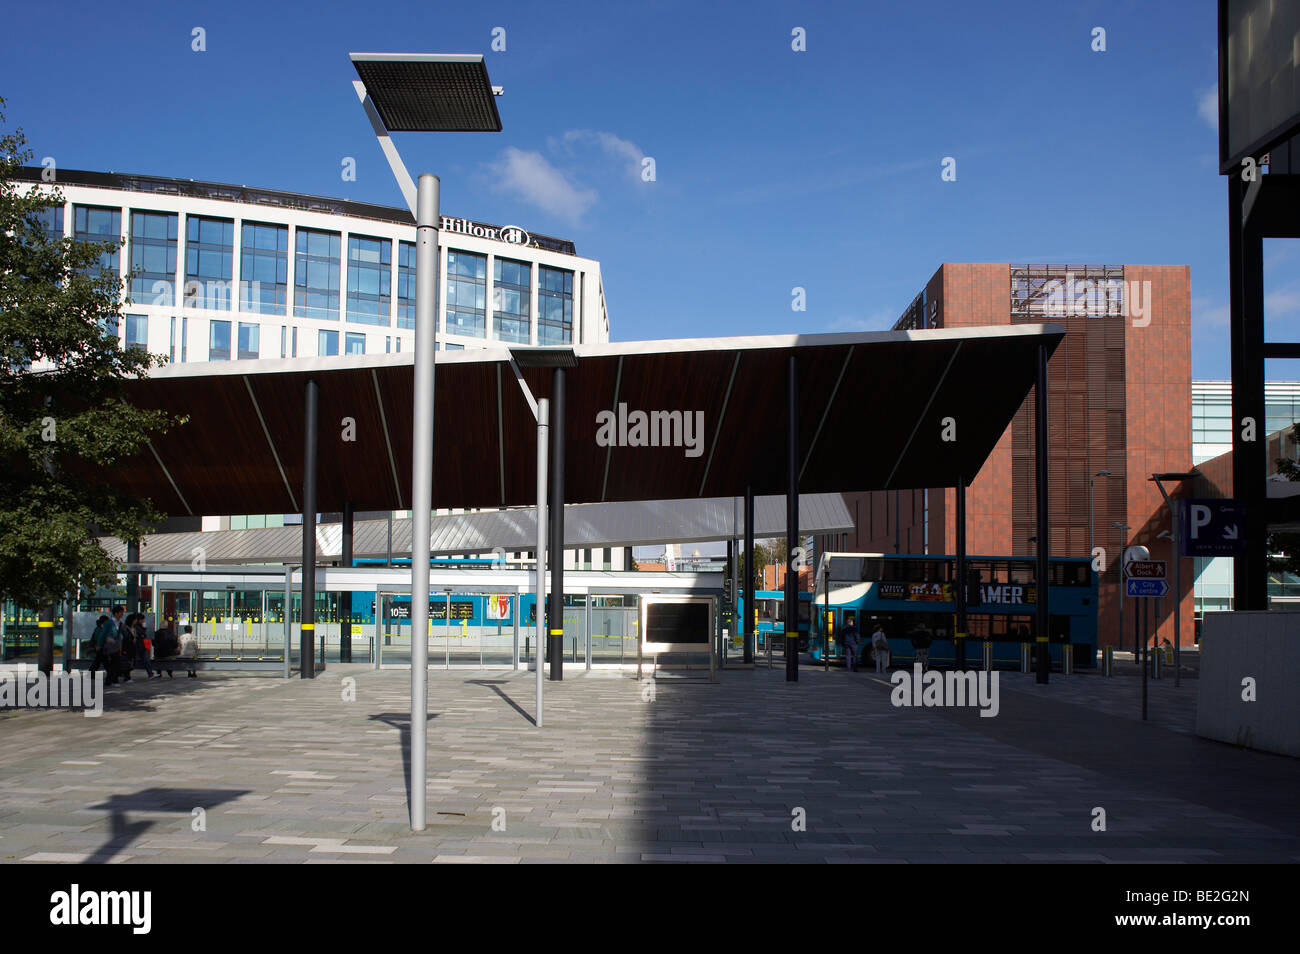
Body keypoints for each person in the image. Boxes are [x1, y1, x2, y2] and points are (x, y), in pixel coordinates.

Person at [89, 614, 121, 685]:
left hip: (102, 649)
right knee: (108, 666)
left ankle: (93, 675)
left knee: (98, 663)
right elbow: (100, 639)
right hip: (102, 649)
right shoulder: (100, 629)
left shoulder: (100, 629)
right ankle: (110, 680)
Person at [130, 613, 156, 679]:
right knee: (140, 660)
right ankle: (150, 673)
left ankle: (150, 673)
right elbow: (142, 635)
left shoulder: (138, 626)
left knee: (144, 660)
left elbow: (143, 635)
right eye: (142, 619)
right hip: (139, 646)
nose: (143, 621)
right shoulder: (136, 627)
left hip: (140, 646)